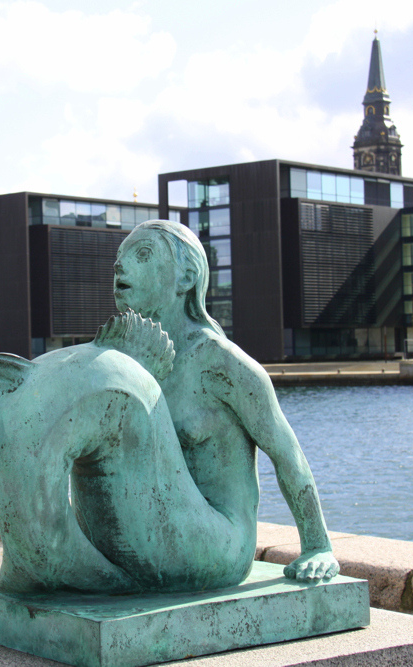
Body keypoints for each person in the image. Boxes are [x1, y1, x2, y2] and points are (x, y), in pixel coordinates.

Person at [112, 220, 339, 582]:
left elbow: (286, 453)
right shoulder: (131, 359)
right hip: (155, 529)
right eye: (120, 256)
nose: (120, 265)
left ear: (186, 278)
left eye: (142, 255)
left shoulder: (221, 363)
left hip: (221, 544)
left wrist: (317, 546)